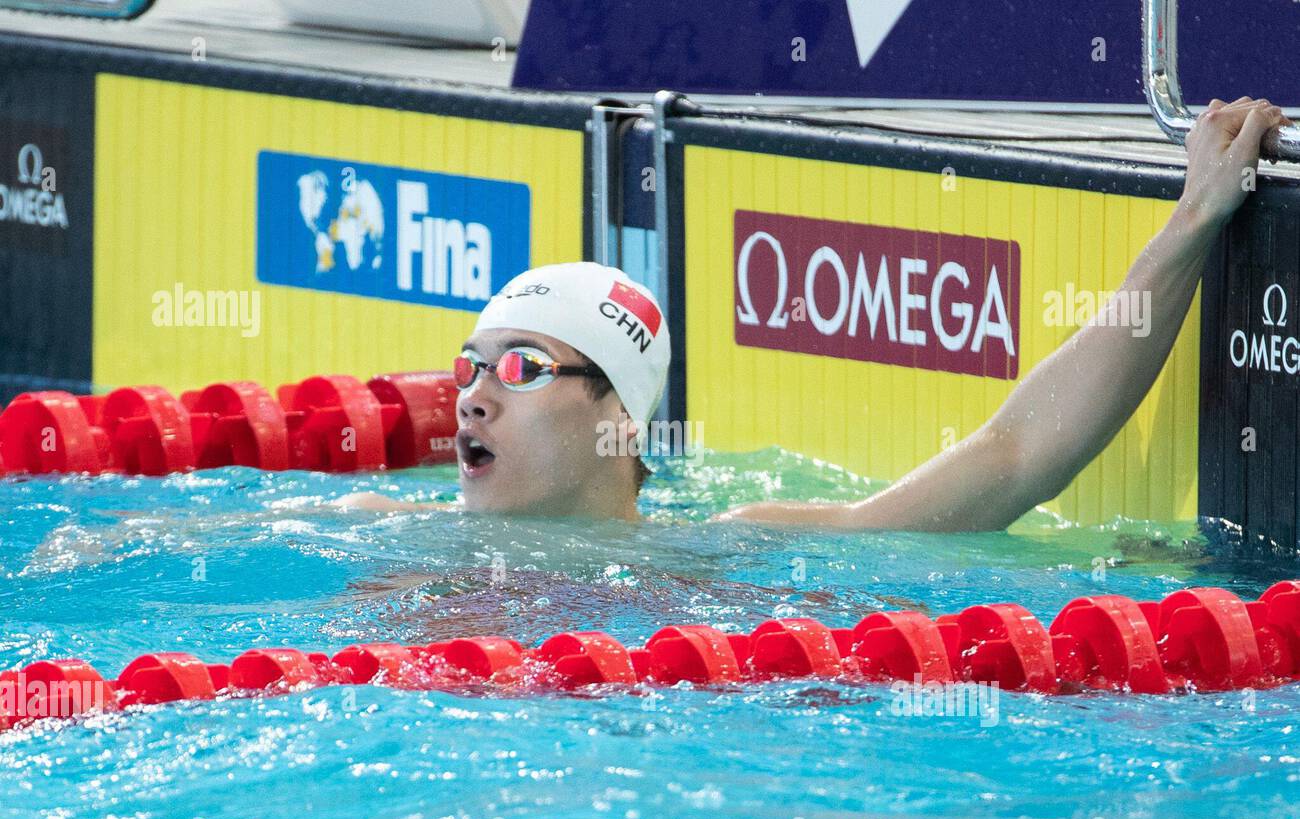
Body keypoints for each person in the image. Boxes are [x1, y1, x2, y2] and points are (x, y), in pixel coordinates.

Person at [344, 97, 1287, 531]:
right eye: (471, 365)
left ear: (619, 419)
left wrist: (1196, 218)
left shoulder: (733, 553)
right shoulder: (367, 527)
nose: (469, 397)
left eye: (519, 369)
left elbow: (1011, 461)